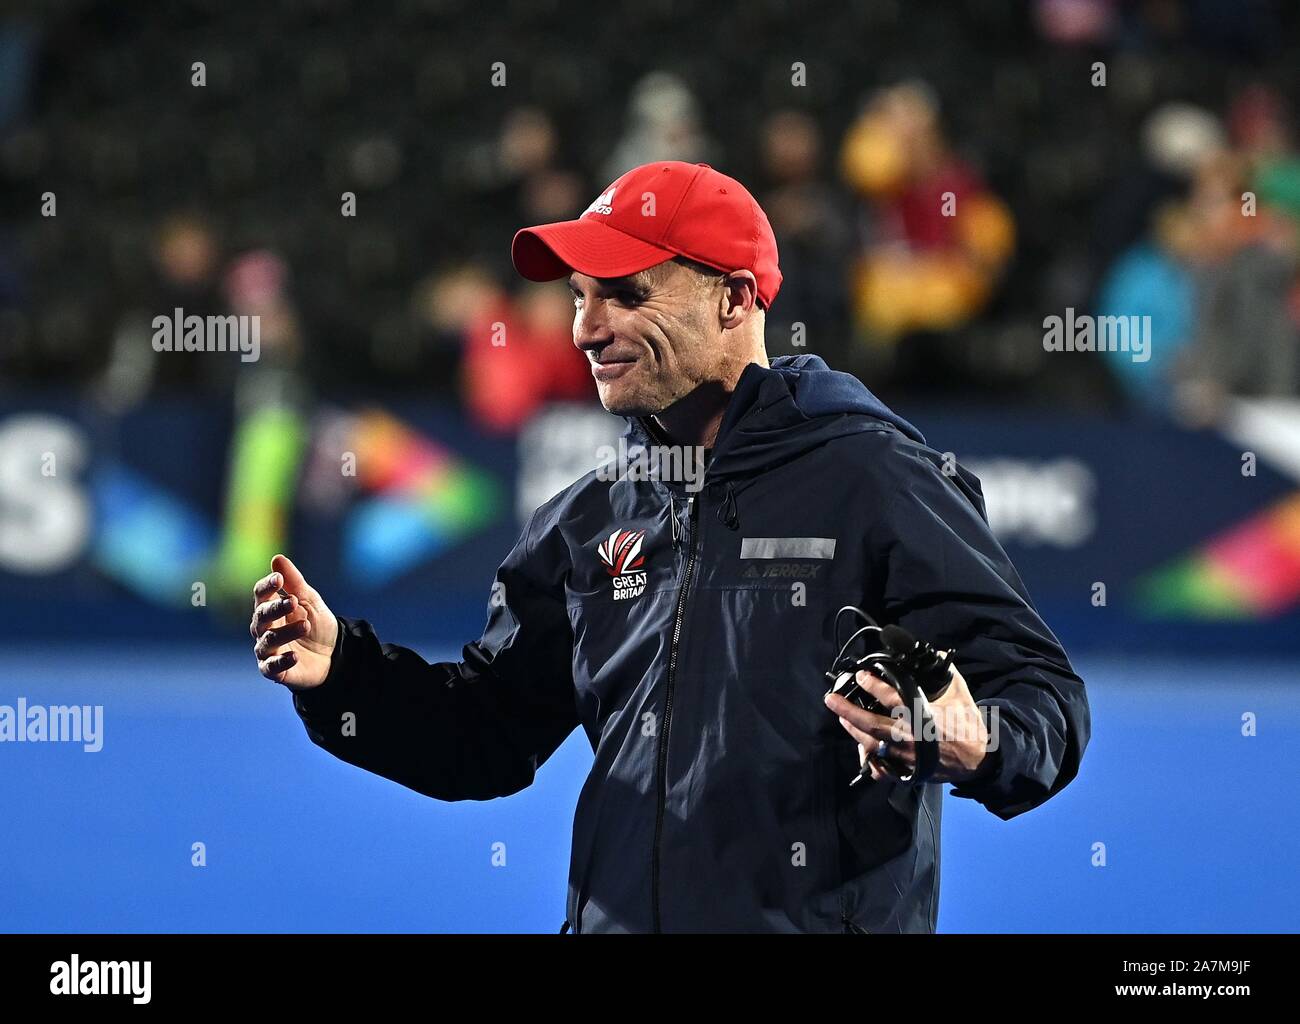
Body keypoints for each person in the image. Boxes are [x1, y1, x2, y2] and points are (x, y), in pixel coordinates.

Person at [250, 161, 1090, 933]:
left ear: (733, 299)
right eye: (578, 297)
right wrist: (342, 674)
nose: (585, 327)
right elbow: (487, 734)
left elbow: (1045, 698)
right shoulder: (585, 520)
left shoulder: (876, 478)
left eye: (622, 292)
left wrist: (976, 739)